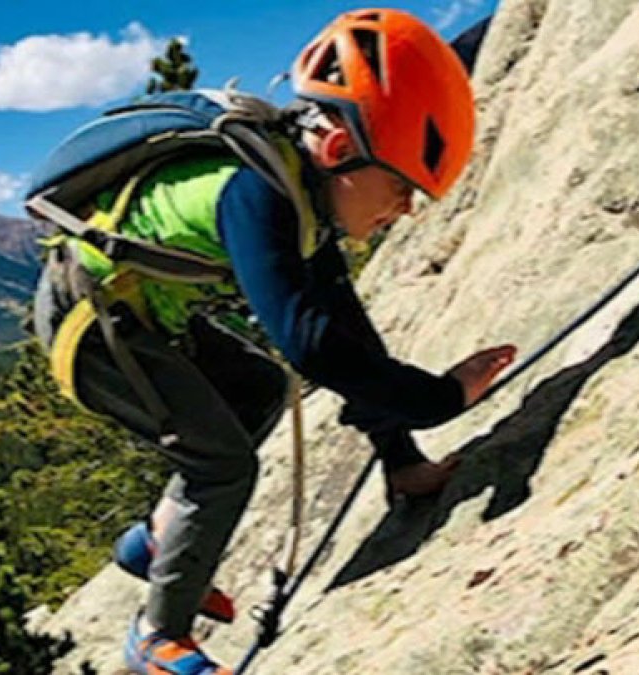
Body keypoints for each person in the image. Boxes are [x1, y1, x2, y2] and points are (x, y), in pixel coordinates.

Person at [32, 9, 515, 674]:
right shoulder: (256, 194)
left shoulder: (300, 193)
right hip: (92, 326)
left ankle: (155, 546)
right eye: (401, 186)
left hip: (134, 310)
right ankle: (156, 635)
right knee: (221, 463)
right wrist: (438, 397)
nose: (404, 209)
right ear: (340, 151)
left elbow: (345, 327)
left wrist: (401, 454)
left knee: (259, 390)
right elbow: (313, 345)